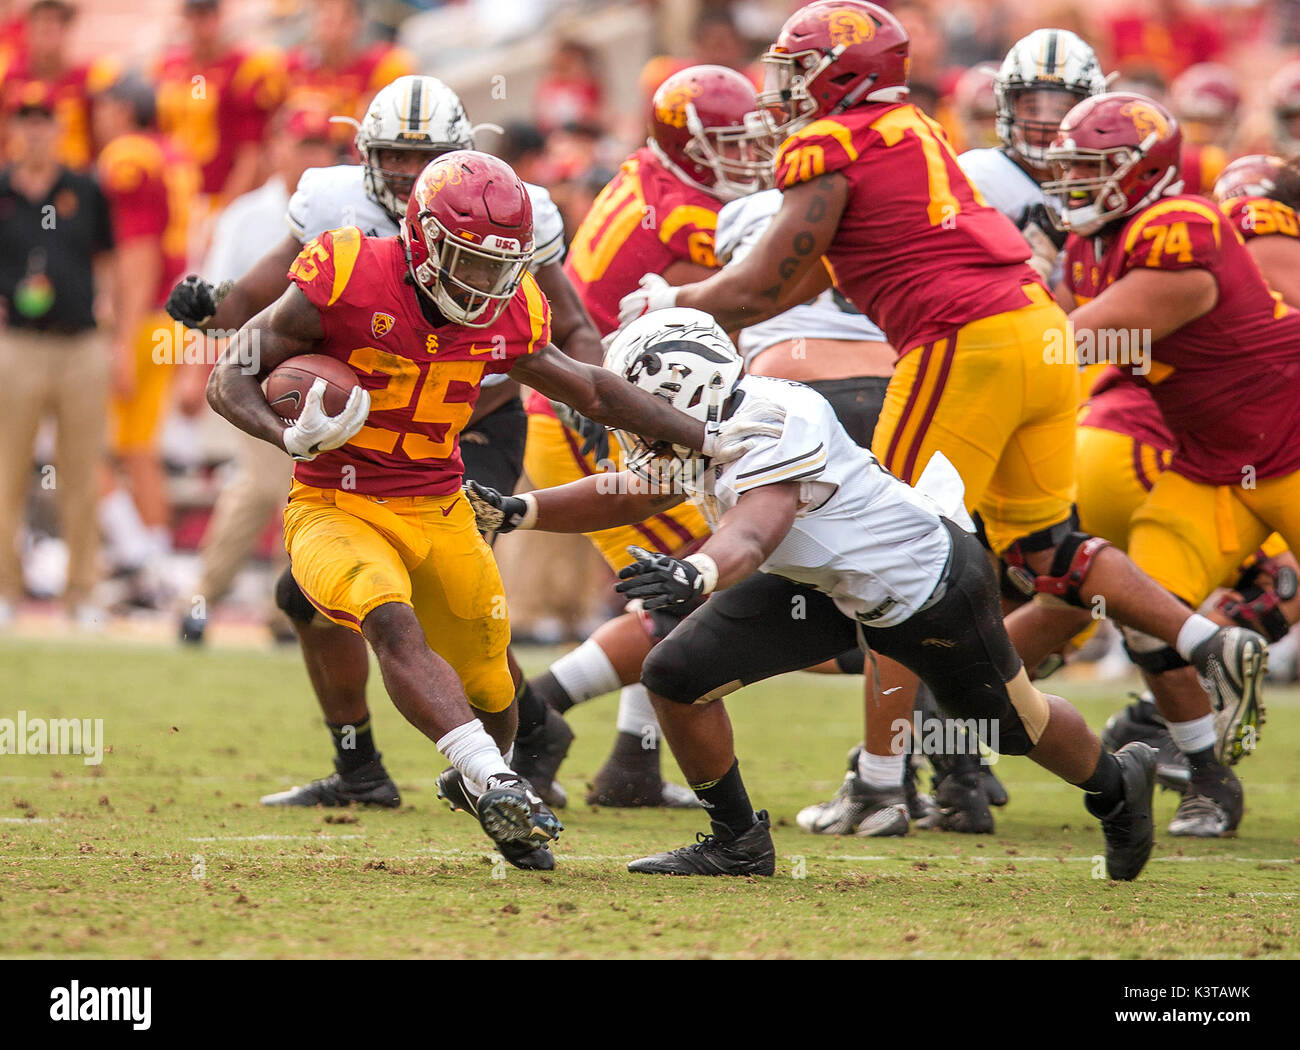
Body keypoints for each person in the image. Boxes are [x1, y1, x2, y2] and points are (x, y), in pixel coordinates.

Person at [621, 1, 1264, 832]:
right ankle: (1210, 644)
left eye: (795, 68)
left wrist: (677, 298)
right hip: (1038, 336)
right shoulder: (911, 131)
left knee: (902, 548)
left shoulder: (833, 142)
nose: (781, 87)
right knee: (1044, 550)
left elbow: (767, 285)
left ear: (839, 74)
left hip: (964, 341)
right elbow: (813, 274)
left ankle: (884, 778)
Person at [204, 153, 783, 869]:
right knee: (390, 618)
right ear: (421, 241)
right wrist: (283, 433)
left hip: (437, 504)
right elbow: (230, 370)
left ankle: (488, 775)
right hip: (336, 502)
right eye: (466, 261)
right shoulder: (347, 272)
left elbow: (592, 390)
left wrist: (708, 436)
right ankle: (498, 782)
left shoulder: (511, 307)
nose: (481, 283)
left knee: (492, 684)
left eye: (494, 267)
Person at [464, 308, 1160, 882]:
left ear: (686, 388)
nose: (637, 434)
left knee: (1010, 724)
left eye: (643, 412)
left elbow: (755, 531)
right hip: (822, 588)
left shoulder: (774, 419)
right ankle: (738, 841)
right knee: (675, 674)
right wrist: (519, 510)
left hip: (924, 586)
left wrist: (697, 573)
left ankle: (1117, 785)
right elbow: (629, 491)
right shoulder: (706, 428)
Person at [165, 75, 605, 814]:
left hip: (475, 420)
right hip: (367, 429)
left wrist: (587, 397)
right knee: (309, 601)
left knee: (444, 607)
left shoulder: (498, 205)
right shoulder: (336, 210)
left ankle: (520, 736)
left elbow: (572, 327)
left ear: (461, 155)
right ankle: (363, 764)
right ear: (366, 152)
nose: (404, 171)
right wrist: (214, 309)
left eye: (421, 155)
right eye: (393, 154)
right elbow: (262, 304)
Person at [516, 63, 776, 808]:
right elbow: (758, 287)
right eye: (729, 142)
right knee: (700, 578)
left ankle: (632, 761)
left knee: (683, 580)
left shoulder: (649, 175)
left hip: (612, 408)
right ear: (687, 145)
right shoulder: (685, 213)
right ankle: (537, 712)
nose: (747, 156)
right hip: (598, 418)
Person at [1042, 92, 1300, 837]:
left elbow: (1063, 344)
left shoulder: (1179, 226)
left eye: (1092, 169)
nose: (1075, 183)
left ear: (1143, 172)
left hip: (1289, 445)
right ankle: (1208, 779)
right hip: (1210, 468)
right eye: (1069, 168)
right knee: (1149, 615)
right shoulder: (1088, 248)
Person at [179, 102, 339, 643]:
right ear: (277, 148)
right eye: (303, 144)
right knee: (265, 484)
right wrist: (194, 362)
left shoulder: (336, 208)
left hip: (321, 369)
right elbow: (221, 292)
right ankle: (219, 598)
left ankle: (270, 605)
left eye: (321, 146)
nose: (312, 156)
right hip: (257, 366)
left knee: (286, 488)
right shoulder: (247, 214)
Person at [0, 85, 112, 626]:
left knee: (81, 473)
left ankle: (83, 592)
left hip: (80, 344)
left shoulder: (84, 188)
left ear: (59, 128)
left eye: (44, 120)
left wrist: (110, 313)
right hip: (17, 344)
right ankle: (5, 590)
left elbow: (108, 258)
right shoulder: (2, 188)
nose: (35, 130)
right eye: (27, 120)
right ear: (15, 128)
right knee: (5, 471)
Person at [93, 73, 199, 604]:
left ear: (124, 109)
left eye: (104, 105)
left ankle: (138, 555)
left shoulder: (129, 155)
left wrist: (120, 335)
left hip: (143, 314)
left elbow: (139, 253)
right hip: (170, 317)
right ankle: (155, 561)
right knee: (138, 450)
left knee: (85, 446)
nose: (96, 115)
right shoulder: (173, 154)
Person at [154, 0, 287, 209]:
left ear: (218, 18)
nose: (200, 26)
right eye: (194, 17)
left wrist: (227, 209)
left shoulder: (243, 68)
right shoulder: (169, 67)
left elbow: (250, 151)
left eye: (206, 17)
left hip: (220, 192)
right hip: (176, 194)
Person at [284, 0, 413, 156]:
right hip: (300, 155)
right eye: (322, 12)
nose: (326, 22)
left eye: (337, 17)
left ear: (356, 22)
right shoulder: (292, 67)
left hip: (351, 156)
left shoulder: (380, 67)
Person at [0, 0, 117, 169]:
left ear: (66, 31)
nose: (44, 39)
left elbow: (104, 137)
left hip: (74, 174)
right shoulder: (11, 77)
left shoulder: (88, 78)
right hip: (20, 178)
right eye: (38, 30)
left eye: (50, 31)